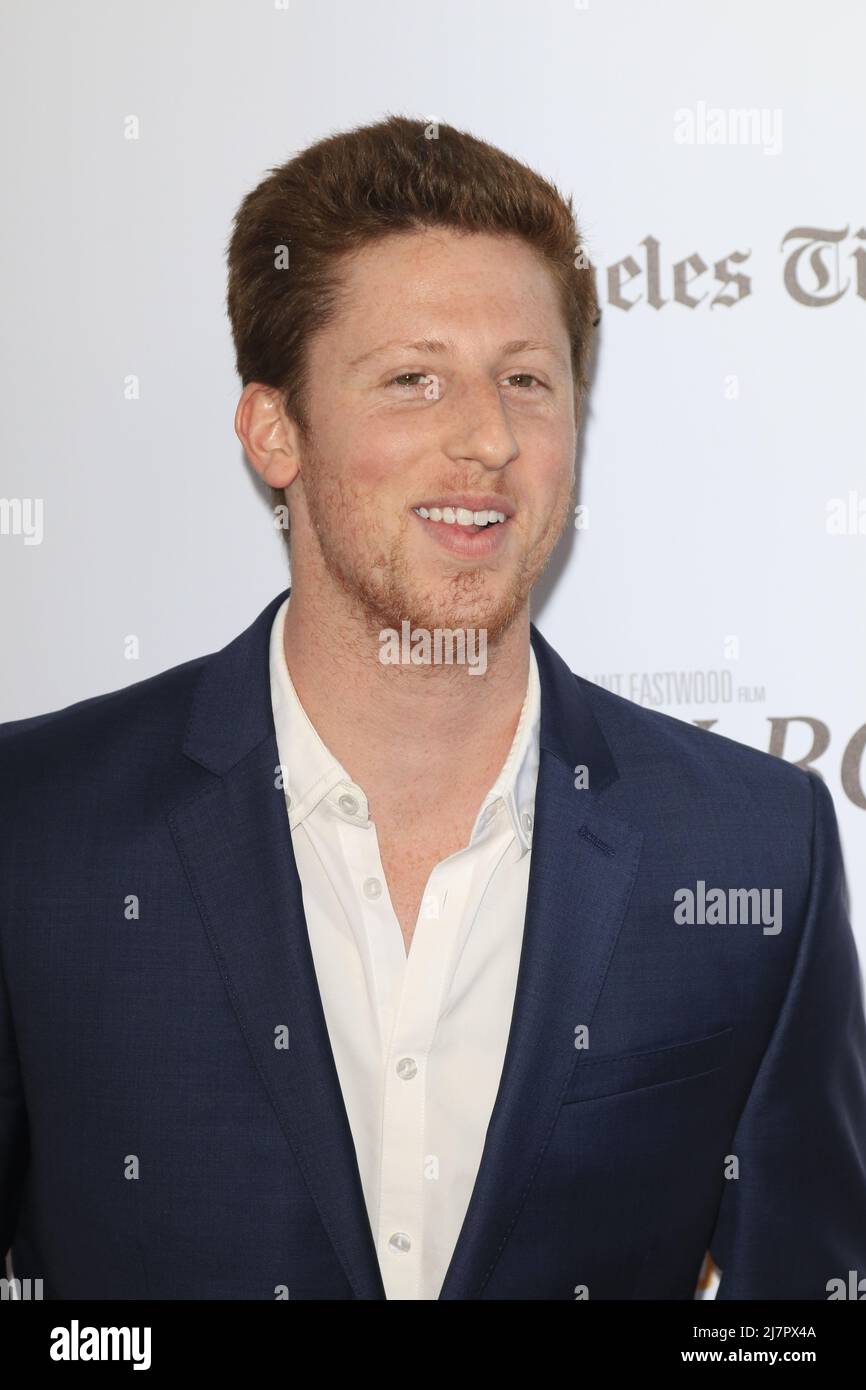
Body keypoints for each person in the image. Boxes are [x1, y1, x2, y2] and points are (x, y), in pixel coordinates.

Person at [2, 115, 865, 1301]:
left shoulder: (752, 843)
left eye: (525, 379)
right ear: (273, 429)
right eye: (413, 379)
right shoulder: (35, 828)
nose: (487, 438)